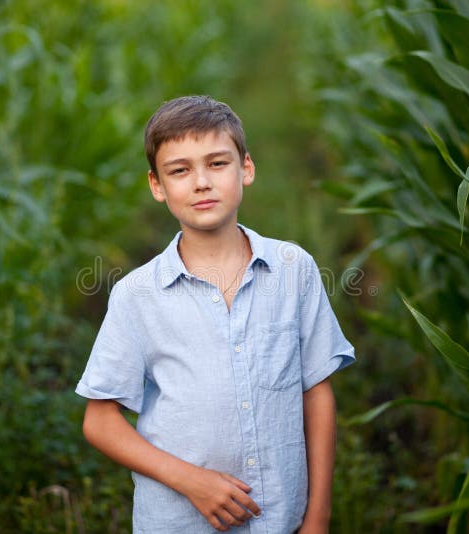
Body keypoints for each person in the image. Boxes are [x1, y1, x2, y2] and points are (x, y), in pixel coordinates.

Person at [76, 95, 355, 533]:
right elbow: (100, 421)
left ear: (246, 168)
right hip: (177, 521)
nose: (201, 182)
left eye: (217, 164)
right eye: (180, 170)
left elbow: (316, 393)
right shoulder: (137, 295)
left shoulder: (292, 269)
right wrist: (191, 481)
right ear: (157, 185)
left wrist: (317, 517)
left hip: (280, 518)